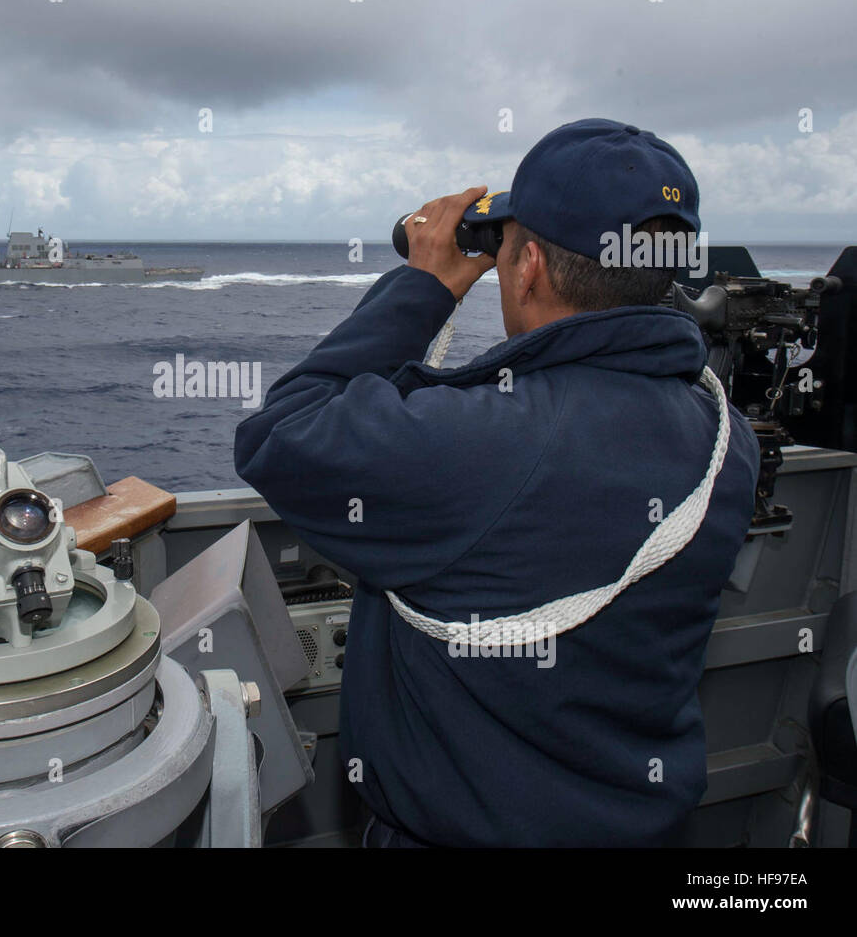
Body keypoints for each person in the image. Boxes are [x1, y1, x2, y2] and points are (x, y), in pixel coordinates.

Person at [234, 118, 760, 847]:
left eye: (508, 246)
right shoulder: (726, 439)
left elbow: (278, 435)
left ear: (529, 266)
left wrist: (422, 287)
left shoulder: (481, 442)